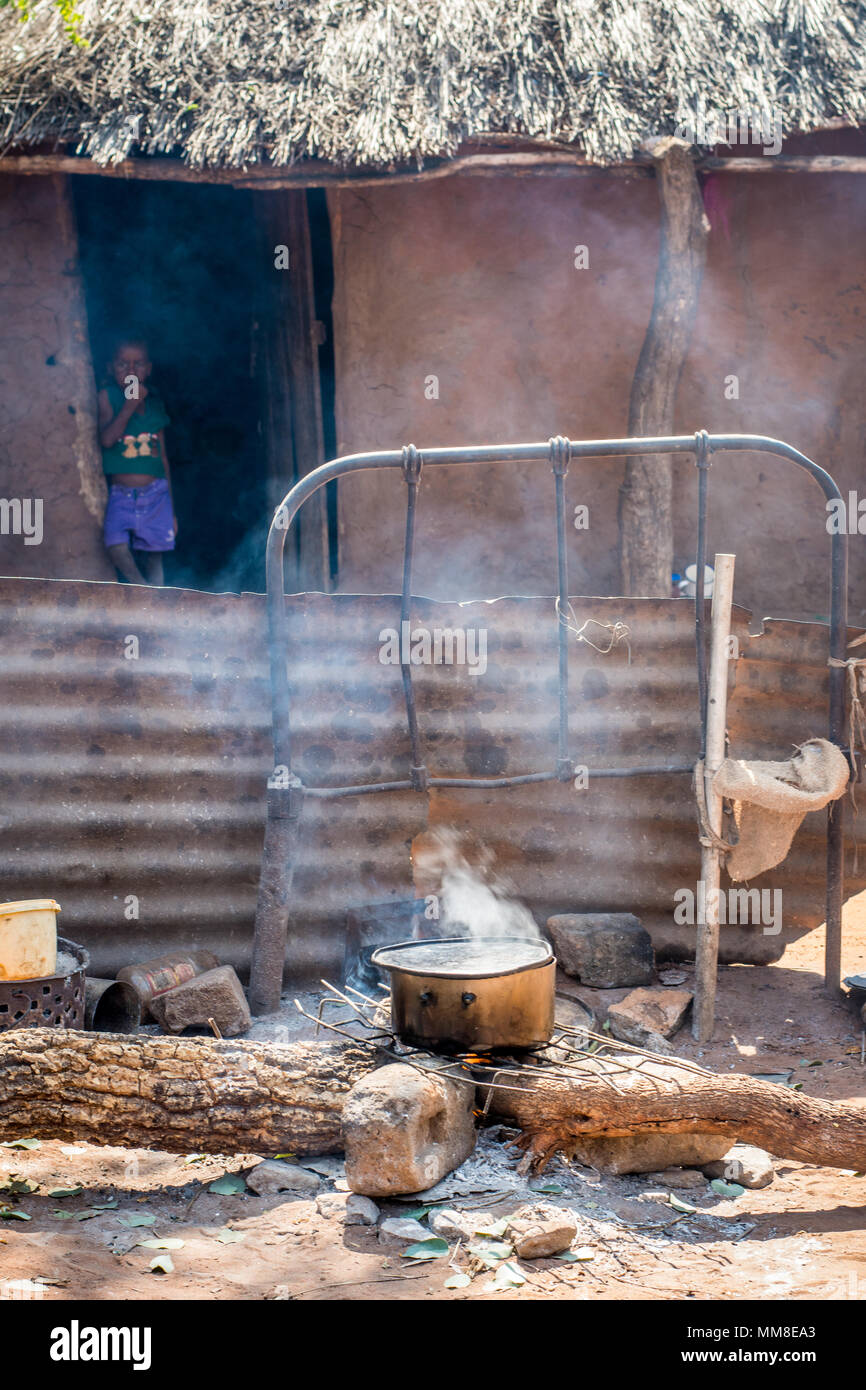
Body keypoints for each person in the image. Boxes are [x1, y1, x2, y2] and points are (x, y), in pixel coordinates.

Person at [98, 336, 177, 585]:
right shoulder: (107, 397)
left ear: (148, 369)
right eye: (123, 364)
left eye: (138, 364)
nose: (131, 370)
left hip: (156, 493)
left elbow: (163, 457)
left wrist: (171, 509)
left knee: (154, 556)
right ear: (111, 368)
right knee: (115, 544)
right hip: (122, 494)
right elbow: (107, 440)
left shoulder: (155, 406)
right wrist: (130, 405)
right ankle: (140, 589)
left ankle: (156, 609)